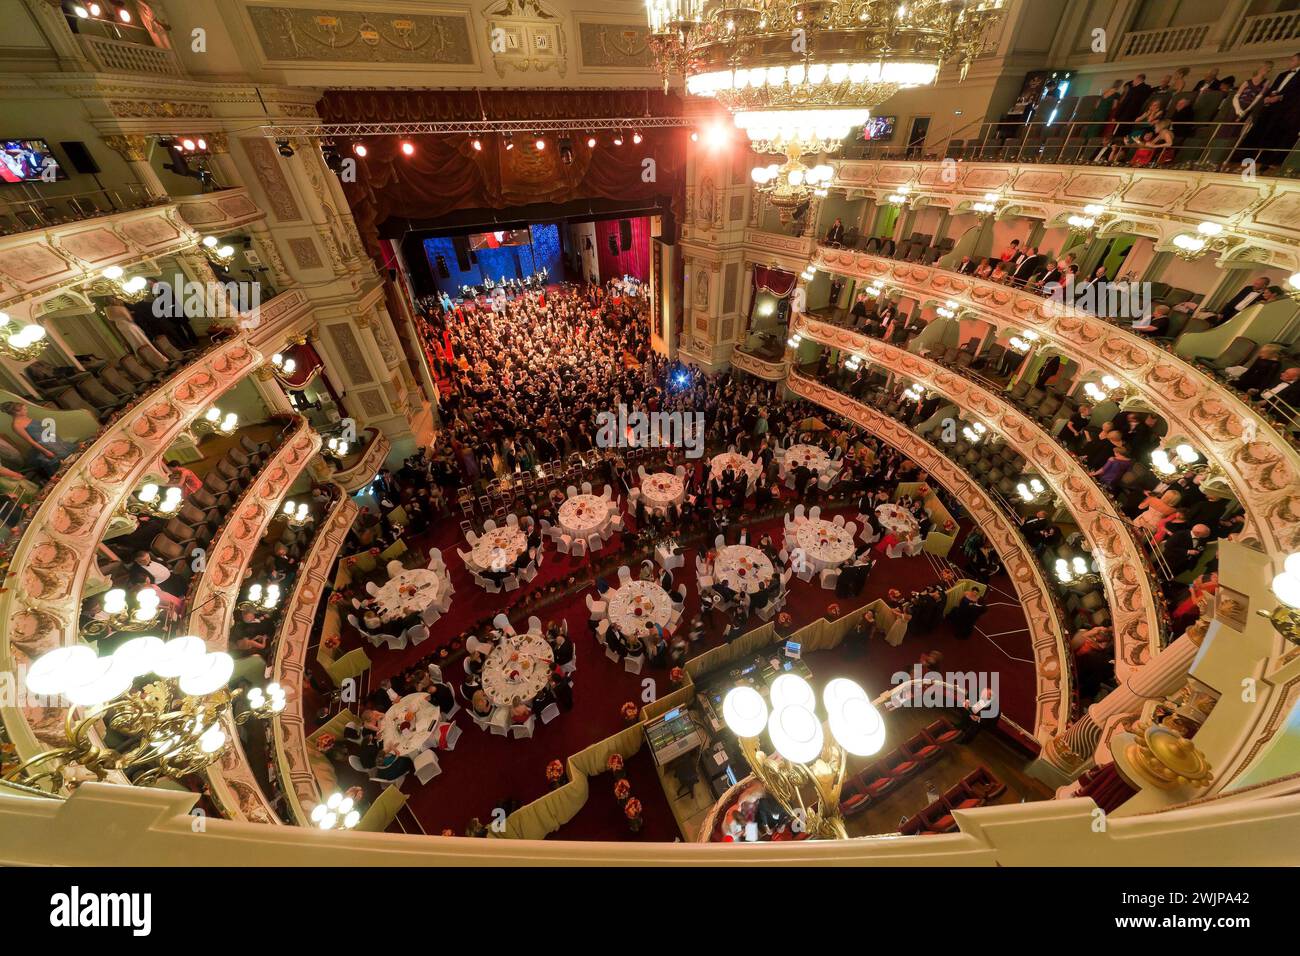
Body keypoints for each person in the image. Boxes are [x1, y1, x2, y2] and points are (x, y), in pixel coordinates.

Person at [0, 402, 79, 479]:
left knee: (73, 454)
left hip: (51, 440)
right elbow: (31, 441)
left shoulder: (25, 417)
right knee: (62, 461)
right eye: (24, 409)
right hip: (44, 445)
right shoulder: (16, 425)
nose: (26, 410)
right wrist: (45, 451)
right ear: (16, 412)